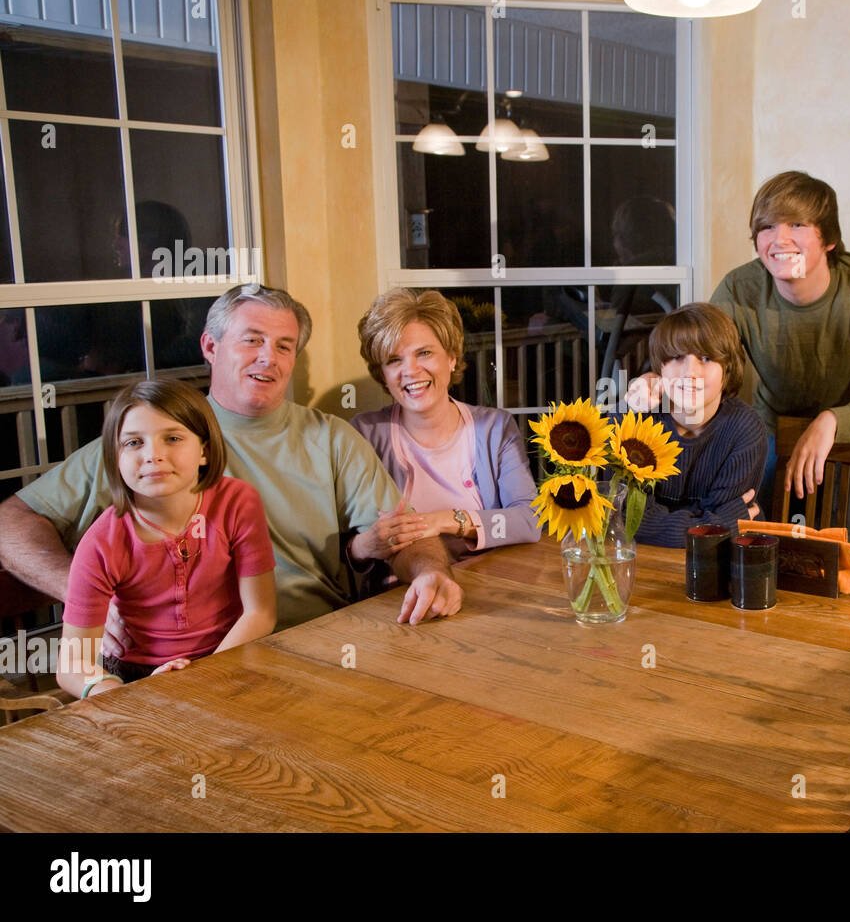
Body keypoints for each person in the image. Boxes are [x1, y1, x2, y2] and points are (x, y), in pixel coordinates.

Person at [0, 283, 462, 634]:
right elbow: (11, 521)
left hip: (316, 638)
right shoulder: (152, 439)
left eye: (284, 346)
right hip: (189, 655)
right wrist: (85, 598)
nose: (269, 358)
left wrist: (430, 573)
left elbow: (407, 536)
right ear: (210, 347)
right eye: (252, 340)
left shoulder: (333, 439)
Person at [628, 171, 850, 509]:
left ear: (829, 239)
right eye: (767, 227)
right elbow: (700, 357)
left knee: (841, 551)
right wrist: (654, 380)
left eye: (797, 225)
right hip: (770, 436)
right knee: (753, 537)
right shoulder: (739, 287)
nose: (780, 240)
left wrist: (833, 420)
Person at [56, 380, 277, 699]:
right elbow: (72, 664)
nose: (153, 455)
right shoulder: (102, 541)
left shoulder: (238, 502)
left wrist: (205, 674)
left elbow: (261, 613)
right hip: (135, 676)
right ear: (114, 457)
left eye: (172, 438)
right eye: (133, 443)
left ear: (204, 450)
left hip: (230, 653)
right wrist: (117, 692)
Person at [350, 288, 540, 557]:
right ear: (382, 373)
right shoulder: (364, 434)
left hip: (487, 582)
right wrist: (365, 546)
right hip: (398, 593)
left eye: (424, 353)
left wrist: (443, 521)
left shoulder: (495, 429)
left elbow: (528, 522)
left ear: (452, 358)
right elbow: (346, 546)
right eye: (394, 360)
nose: (411, 371)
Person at [625, 303, 765, 548]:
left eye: (706, 358)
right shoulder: (634, 420)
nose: (690, 372)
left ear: (727, 369)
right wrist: (720, 522)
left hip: (720, 563)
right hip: (644, 560)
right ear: (659, 368)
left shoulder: (745, 429)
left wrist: (717, 527)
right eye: (677, 357)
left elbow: (720, 538)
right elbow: (631, 521)